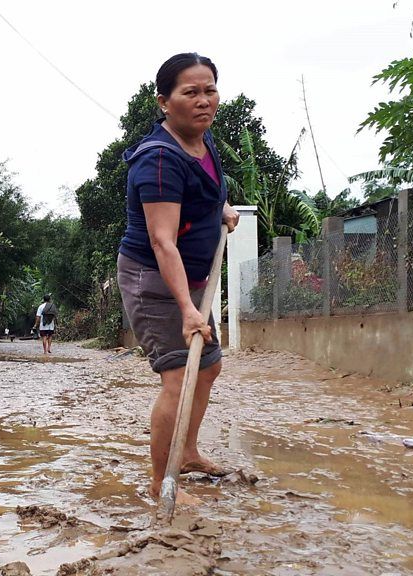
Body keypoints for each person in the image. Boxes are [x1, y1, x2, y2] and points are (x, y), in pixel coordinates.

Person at [116, 53, 240, 506]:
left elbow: (200, 198)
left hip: (191, 279)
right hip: (156, 281)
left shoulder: (202, 145)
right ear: (164, 102)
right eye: (191, 92)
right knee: (178, 377)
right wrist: (188, 308)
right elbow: (162, 240)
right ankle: (158, 482)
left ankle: (185, 453)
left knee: (207, 367)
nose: (203, 100)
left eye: (209, 89)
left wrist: (218, 208)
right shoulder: (161, 160)